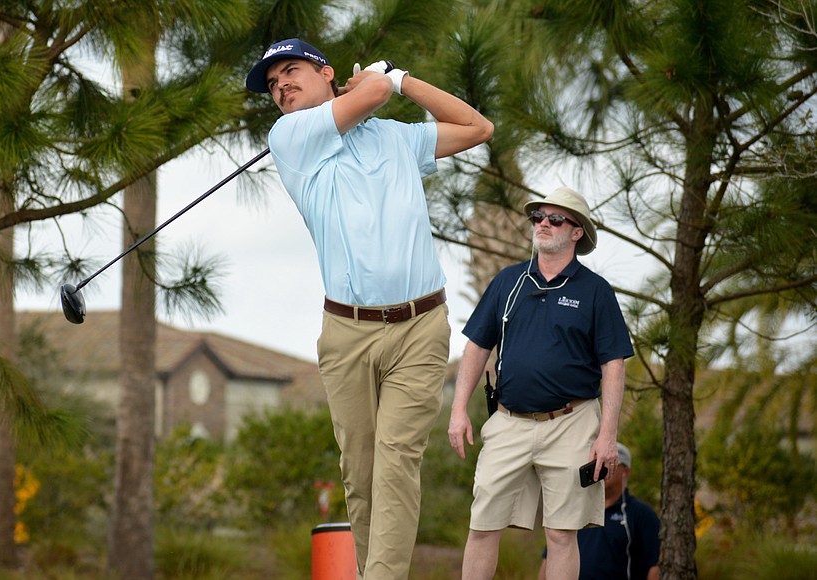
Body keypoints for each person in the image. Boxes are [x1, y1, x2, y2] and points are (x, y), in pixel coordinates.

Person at [245, 39, 493, 579]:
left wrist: (403, 79)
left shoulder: (396, 138)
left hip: (420, 327)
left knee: (397, 462)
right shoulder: (289, 137)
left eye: (292, 71)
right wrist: (379, 82)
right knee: (360, 474)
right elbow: (373, 90)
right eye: (272, 84)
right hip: (347, 333)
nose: (281, 85)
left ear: (327, 73)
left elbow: (477, 128)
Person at [447, 186, 634, 580]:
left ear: (576, 231)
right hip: (509, 420)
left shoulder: (595, 291)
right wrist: (458, 409)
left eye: (555, 219)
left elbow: (613, 366)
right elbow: (477, 346)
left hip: (573, 422)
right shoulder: (508, 281)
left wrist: (608, 434)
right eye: (538, 218)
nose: (543, 225)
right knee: (481, 526)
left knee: (562, 533)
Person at [538, 442, 661, 580]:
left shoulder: (641, 514)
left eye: (609, 464)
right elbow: (551, 557)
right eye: (597, 463)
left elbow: (654, 565)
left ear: (625, 472)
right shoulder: (575, 508)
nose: (600, 469)